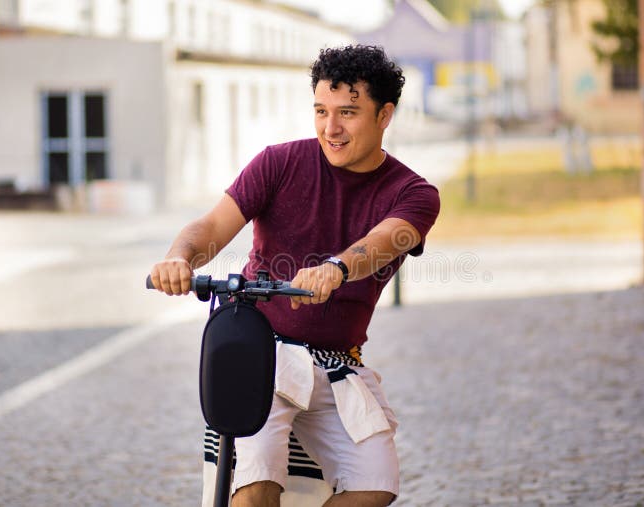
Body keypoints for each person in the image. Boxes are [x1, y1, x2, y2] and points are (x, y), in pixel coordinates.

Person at [150, 44, 440, 507]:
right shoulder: (279, 163)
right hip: (260, 351)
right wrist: (180, 257)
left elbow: (389, 238)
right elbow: (211, 226)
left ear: (385, 115)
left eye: (348, 112)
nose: (331, 128)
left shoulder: (414, 193)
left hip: (338, 364)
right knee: (256, 483)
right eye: (321, 111)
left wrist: (337, 268)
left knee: (377, 484)